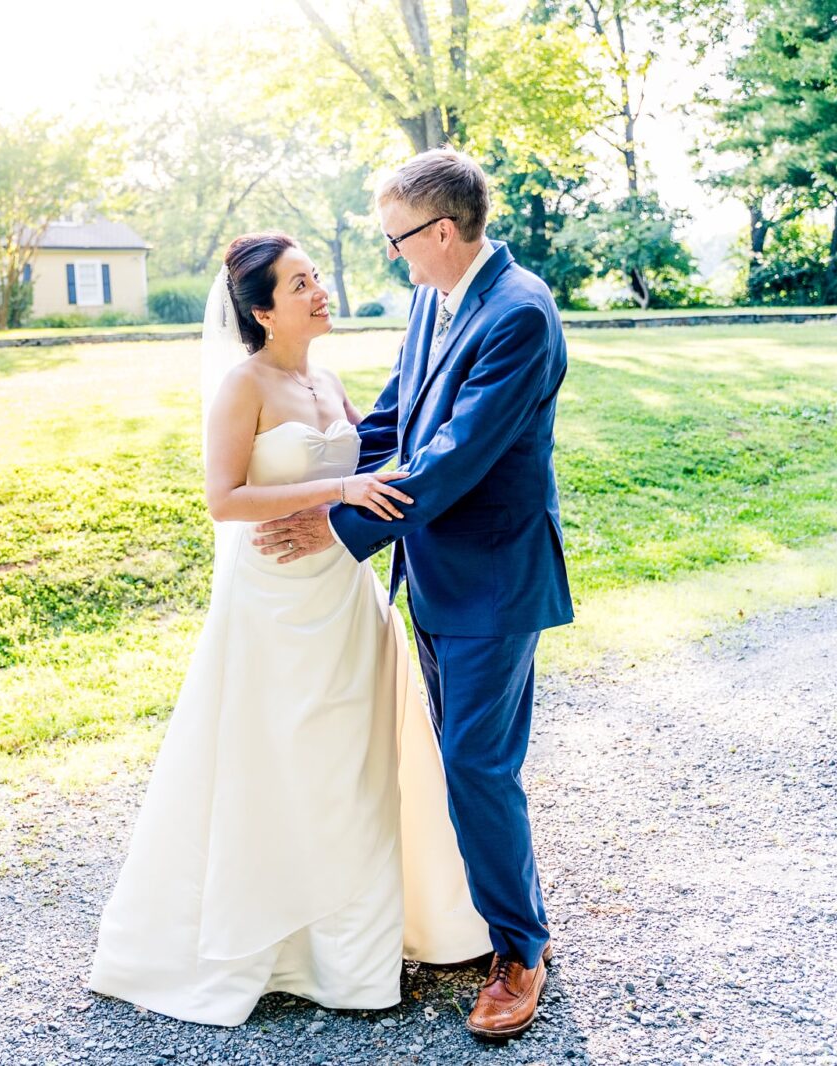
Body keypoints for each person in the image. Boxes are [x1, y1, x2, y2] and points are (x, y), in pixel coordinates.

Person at [87, 231, 490, 1028]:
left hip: (345, 596)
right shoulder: (245, 387)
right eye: (300, 283)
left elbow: (385, 455)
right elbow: (224, 500)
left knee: (357, 767)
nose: (319, 291)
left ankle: (358, 950)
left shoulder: (328, 378)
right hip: (275, 608)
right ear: (264, 310)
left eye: (316, 277)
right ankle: (282, 944)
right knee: (288, 765)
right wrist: (338, 488)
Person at [253, 147, 574, 1039]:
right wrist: (325, 477)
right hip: (429, 573)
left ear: (440, 231)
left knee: (477, 763)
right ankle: (500, 916)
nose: (392, 253)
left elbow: (455, 456)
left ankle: (522, 950)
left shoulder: (520, 313)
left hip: (493, 581)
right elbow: (399, 415)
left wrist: (339, 529)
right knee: (461, 759)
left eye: (397, 238)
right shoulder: (436, 298)